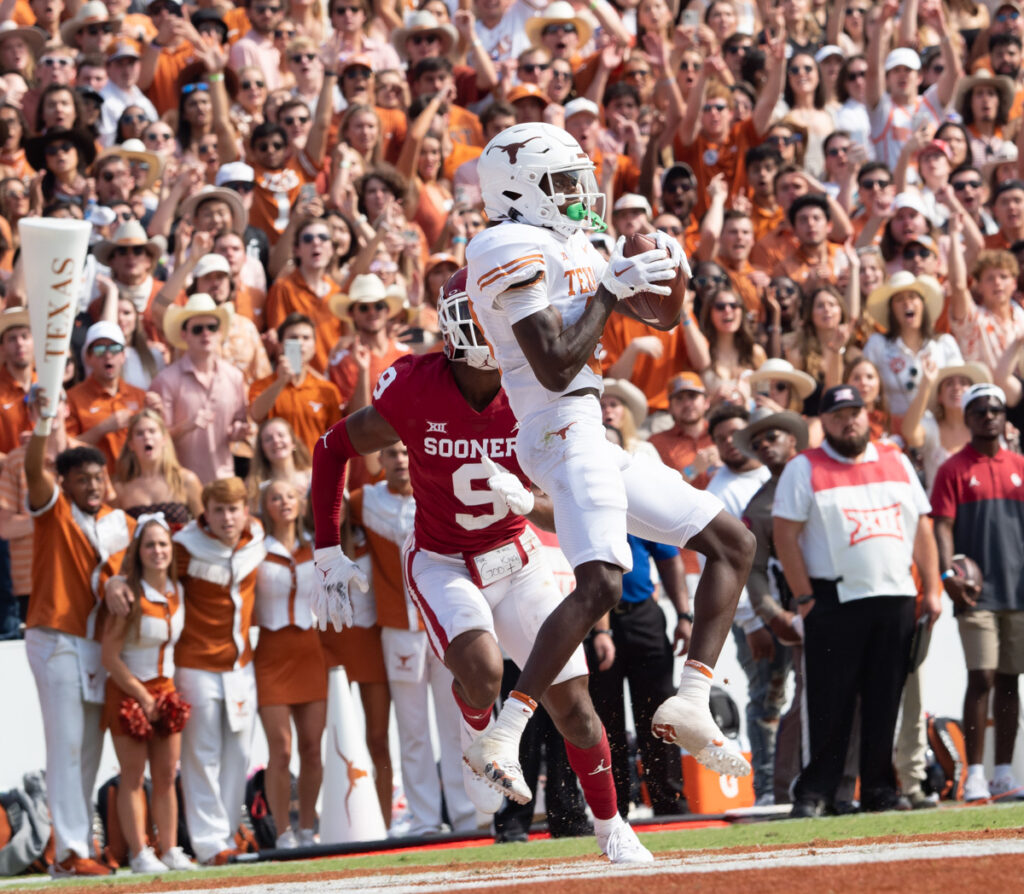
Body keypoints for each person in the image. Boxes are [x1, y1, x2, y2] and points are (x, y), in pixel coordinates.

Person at [453, 122, 753, 802]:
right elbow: (556, 367)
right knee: (601, 586)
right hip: (555, 422)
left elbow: (666, 319)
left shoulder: (565, 240)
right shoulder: (504, 243)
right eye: (560, 182)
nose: (577, 194)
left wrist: (671, 275)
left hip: (590, 425)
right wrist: (611, 289)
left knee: (732, 542)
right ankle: (505, 729)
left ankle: (693, 700)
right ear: (517, 187)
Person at [311, 271, 655, 862]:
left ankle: (610, 824)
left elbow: (564, 510)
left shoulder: (543, 394)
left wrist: (532, 503)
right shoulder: (415, 387)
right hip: (444, 561)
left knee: (574, 706)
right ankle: (478, 735)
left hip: (519, 559)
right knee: (483, 670)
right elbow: (330, 447)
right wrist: (325, 548)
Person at [773, 384, 942, 816]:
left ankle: (880, 790)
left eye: (855, 412)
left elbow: (922, 527)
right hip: (833, 599)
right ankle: (815, 793)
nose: (849, 420)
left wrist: (934, 589)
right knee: (830, 702)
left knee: (886, 701)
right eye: (838, 415)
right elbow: (785, 534)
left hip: (896, 596)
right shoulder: (803, 466)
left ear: (868, 415)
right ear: (823, 423)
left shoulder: (897, 459)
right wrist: (806, 597)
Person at [24, 390, 136, 878]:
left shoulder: (123, 524)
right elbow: (33, 472)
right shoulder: (54, 511)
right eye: (82, 478)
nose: (92, 484)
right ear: (65, 482)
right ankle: (69, 851)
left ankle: (77, 846)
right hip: (56, 635)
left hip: (100, 645)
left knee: (89, 747)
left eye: (98, 476)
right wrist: (45, 421)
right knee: (67, 744)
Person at [931, 383, 1024, 802]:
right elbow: (942, 527)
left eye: (996, 410)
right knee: (981, 676)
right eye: (980, 410)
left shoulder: (1020, 465)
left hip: (1019, 591)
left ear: (1005, 417)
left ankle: (1003, 772)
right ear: (967, 418)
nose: (989, 416)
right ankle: (974, 776)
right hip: (976, 593)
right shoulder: (952, 469)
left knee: (1010, 681)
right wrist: (948, 572)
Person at [99, 513, 196, 873]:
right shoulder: (128, 593)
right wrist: (142, 696)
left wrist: (157, 696)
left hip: (166, 691)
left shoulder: (178, 590)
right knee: (134, 777)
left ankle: (170, 848)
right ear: (138, 550)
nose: (157, 551)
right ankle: (140, 852)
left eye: (163, 544)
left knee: (168, 774)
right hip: (129, 690)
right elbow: (109, 657)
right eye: (150, 544)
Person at [736, 406, 807, 804]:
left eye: (773, 437)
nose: (765, 446)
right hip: (795, 613)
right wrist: (770, 614)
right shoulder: (759, 506)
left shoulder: (824, 479)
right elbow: (754, 569)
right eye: (758, 443)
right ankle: (780, 788)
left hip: (846, 600)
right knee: (792, 698)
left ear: (793, 440)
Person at [253, 480, 326, 848]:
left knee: (312, 746)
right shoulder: (253, 548)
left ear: (300, 503)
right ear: (264, 506)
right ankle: (282, 831)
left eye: (290, 497)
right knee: (280, 749)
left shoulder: (316, 543)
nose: (284, 503)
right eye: (275, 498)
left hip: (310, 650)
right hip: (270, 652)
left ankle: (308, 827)